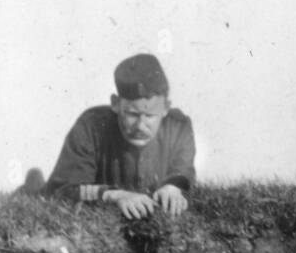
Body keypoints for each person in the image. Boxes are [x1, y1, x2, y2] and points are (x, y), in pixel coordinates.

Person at [43, 53, 195, 218]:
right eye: (132, 114)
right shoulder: (91, 125)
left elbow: (182, 169)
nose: (140, 125)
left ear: (166, 108)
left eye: (150, 116)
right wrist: (115, 195)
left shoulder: (178, 126)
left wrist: (172, 187)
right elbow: (63, 189)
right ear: (115, 103)